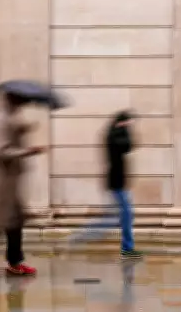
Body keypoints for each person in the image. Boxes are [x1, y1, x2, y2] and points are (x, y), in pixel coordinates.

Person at [0, 91, 45, 276]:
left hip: (11, 178)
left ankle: (15, 261)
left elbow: (8, 139)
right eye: (21, 101)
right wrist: (27, 151)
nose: (22, 106)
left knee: (14, 220)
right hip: (3, 179)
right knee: (1, 222)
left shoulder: (7, 118)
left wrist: (22, 130)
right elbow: (0, 151)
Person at [68, 111, 143, 258]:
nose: (130, 127)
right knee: (113, 219)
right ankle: (80, 236)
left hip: (119, 184)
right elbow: (128, 145)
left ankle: (127, 248)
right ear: (122, 122)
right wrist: (124, 128)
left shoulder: (116, 133)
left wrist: (124, 127)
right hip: (116, 185)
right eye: (128, 122)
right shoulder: (114, 135)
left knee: (122, 217)